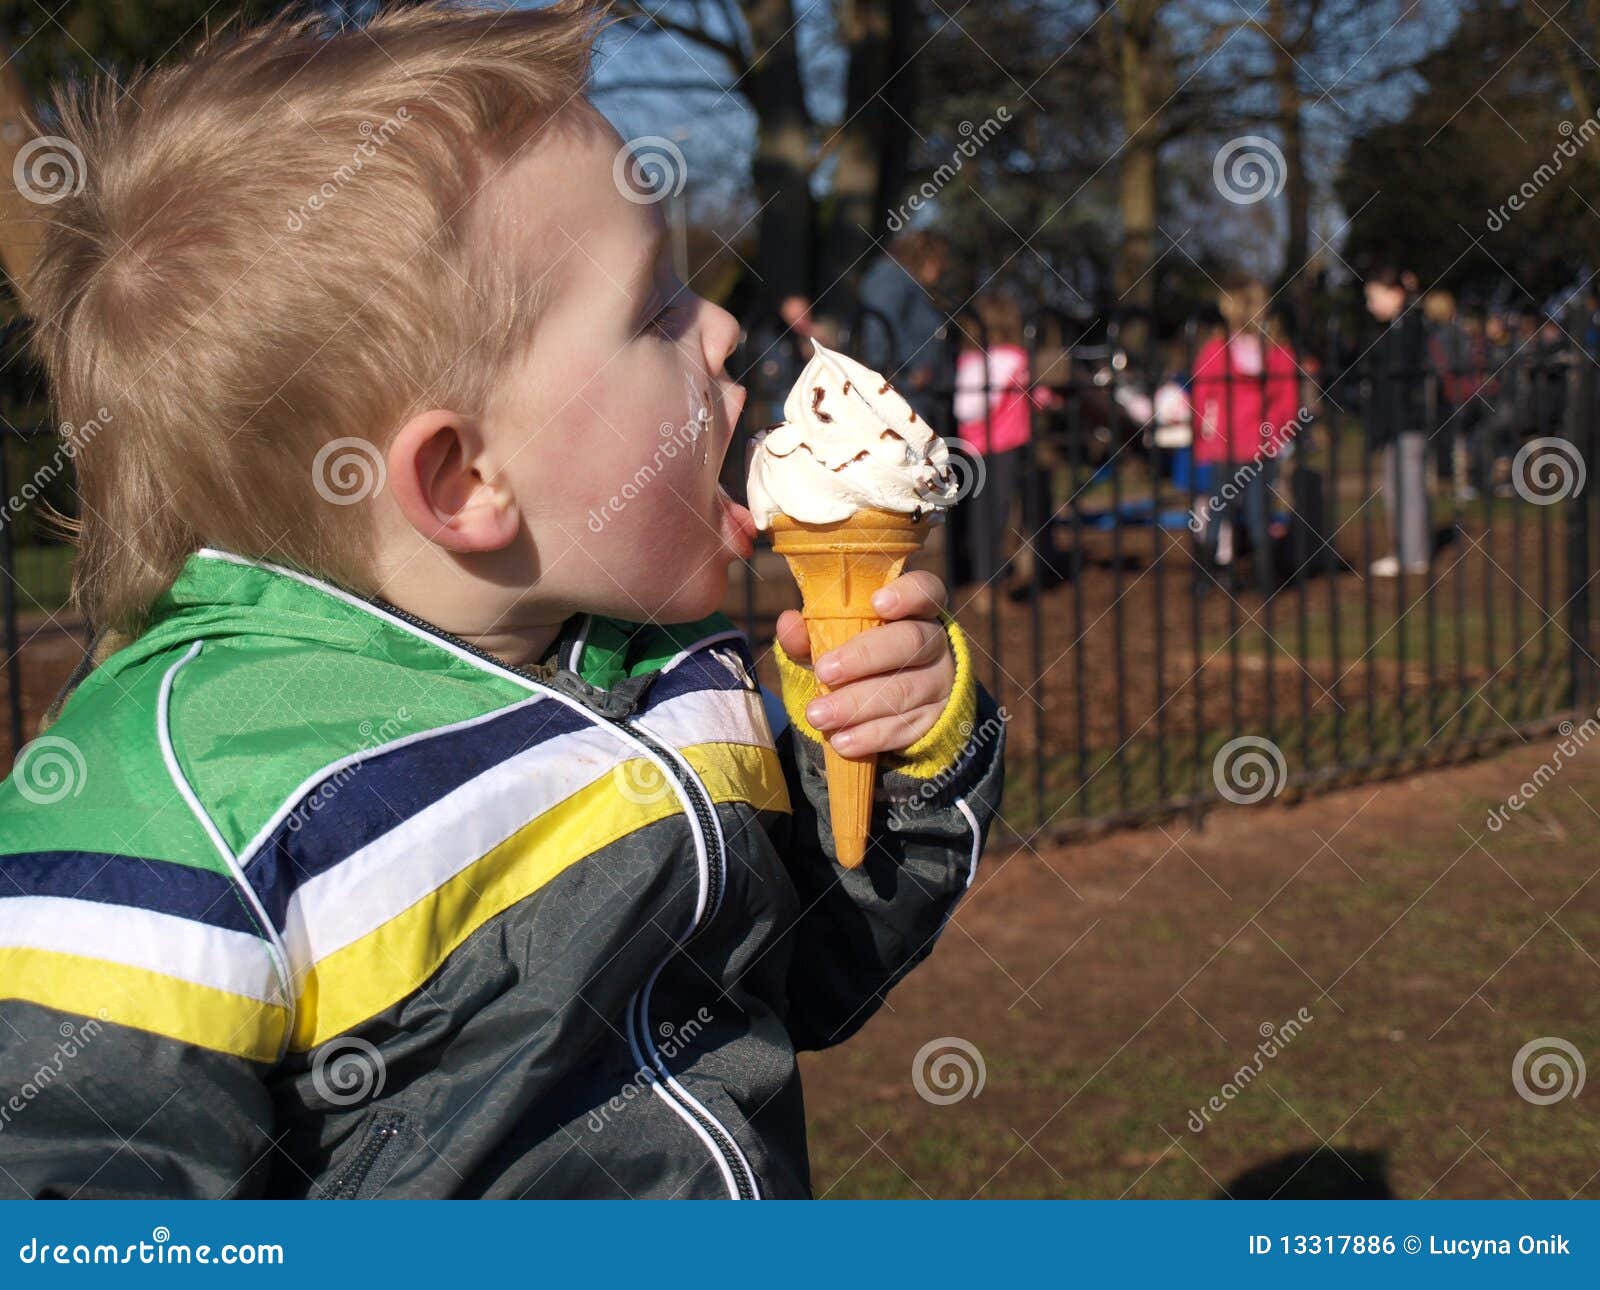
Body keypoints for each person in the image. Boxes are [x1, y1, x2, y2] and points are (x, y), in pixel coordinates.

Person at [0, 1, 1004, 1200]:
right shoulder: (172, 803)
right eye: (655, 310)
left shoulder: (680, 674)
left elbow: (816, 974)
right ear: (464, 479)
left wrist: (902, 756)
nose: (726, 327)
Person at [1188, 278, 1302, 596]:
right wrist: (1276, 437)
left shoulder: (1215, 351)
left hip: (1225, 446)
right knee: (1258, 516)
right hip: (1261, 448)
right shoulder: (1279, 353)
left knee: (1216, 513)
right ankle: (1266, 581)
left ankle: (1203, 579)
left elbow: (1201, 400)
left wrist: (1203, 437)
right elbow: (1288, 403)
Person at [952, 292, 1034, 609]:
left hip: (971, 448)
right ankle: (994, 583)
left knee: (978, 516)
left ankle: (979, 583)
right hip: (1005, 445)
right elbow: (1038, 396)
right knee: (1003, 516)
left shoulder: (967, 361)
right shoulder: (1015, 358)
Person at [1365, 268, 1430, 577]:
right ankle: (1403, 550)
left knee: (1408, 487)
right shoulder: (1395, 326)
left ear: (1395, 293)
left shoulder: (1409, 325)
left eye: (1374, 296)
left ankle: (1413, 554)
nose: (1370, 304)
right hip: (1395, 422)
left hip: (1408, 420)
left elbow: (1403, 373)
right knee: (1394, 488)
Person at [856, 231, 950, 420]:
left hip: (918, 395)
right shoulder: (890, 278)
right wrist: (903, 377)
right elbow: (877, 329)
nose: (943, 268)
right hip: (902, 396)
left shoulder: (909, 285)